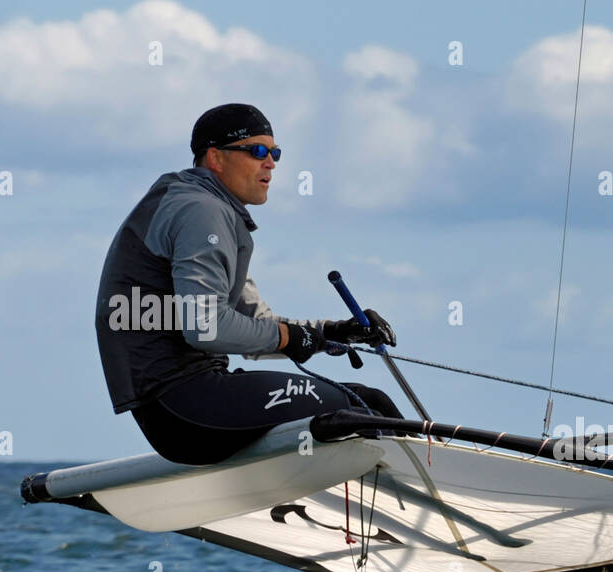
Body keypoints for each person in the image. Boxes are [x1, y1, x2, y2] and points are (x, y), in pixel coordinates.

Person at [94, 103, 402, 465]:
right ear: (215, 158)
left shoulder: (196, 205)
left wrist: (332, 332)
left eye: (275, 153)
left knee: (357, 402)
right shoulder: (201, 212)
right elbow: (208, 328)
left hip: (178, 411)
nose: (270, 162)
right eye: (257, 151)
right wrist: (290, 338)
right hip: (187, 406)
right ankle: (422, 507)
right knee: (367, 404)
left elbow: (253, 321)